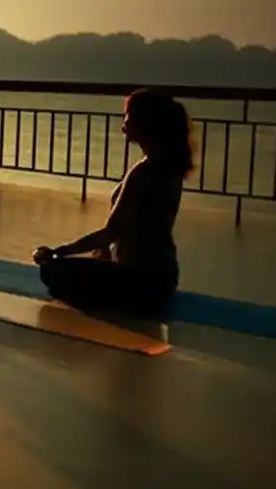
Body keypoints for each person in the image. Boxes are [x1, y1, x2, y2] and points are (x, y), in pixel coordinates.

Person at [32, 88, 192, 317]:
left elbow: (112, 231)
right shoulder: (169, 167)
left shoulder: (145, 172)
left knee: (51, 271)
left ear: (144, 122)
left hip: (139, 282)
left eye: (127, 115)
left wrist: (59, 252)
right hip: (164, 279)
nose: (123, 122)